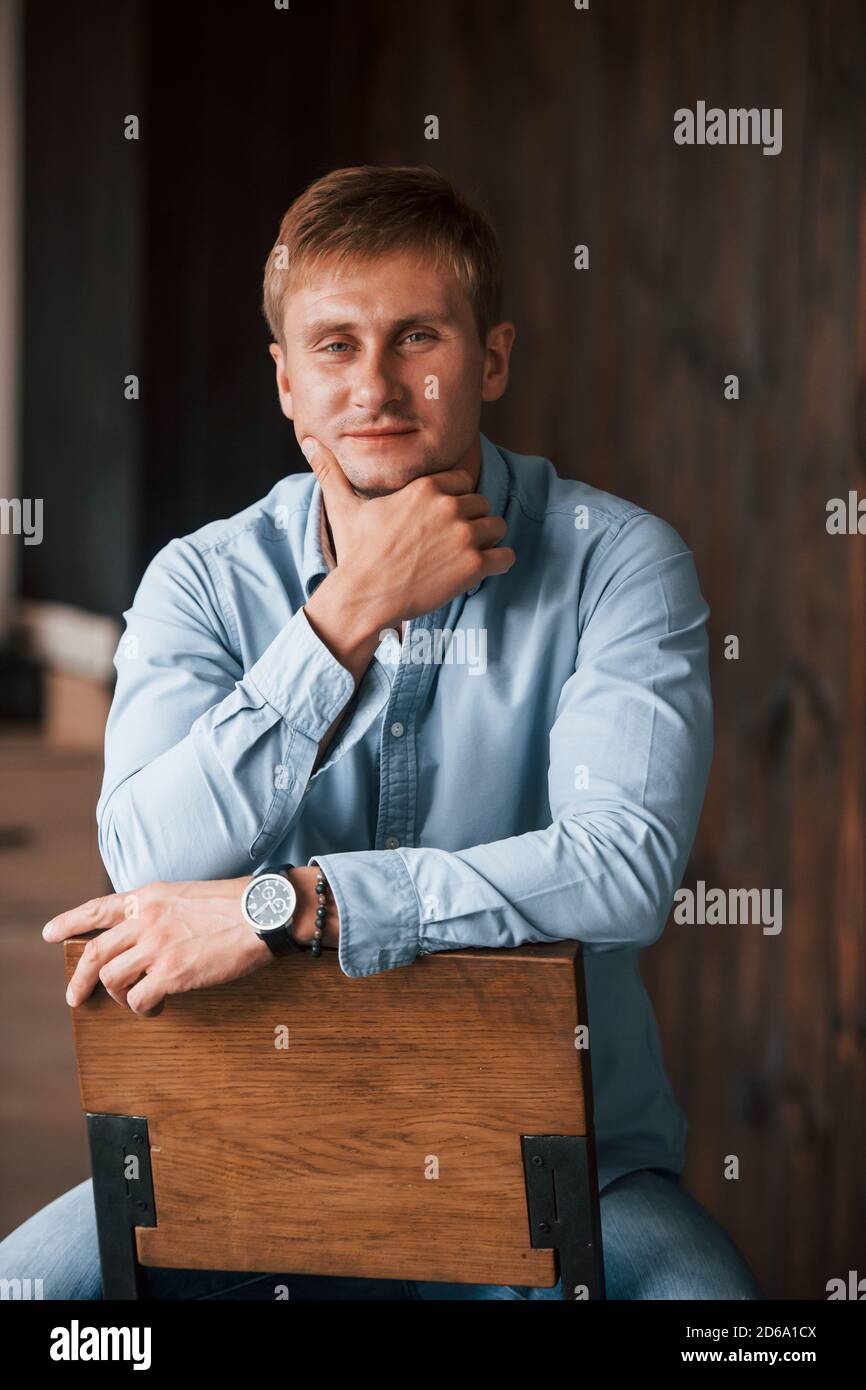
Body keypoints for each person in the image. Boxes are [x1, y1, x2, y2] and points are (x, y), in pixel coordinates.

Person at [0, 164, 764, 1300]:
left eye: (417, 337)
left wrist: (300, 903)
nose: (376, 386)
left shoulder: (618, 564)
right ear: (286, 384)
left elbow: (619, 873)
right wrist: (349, 610)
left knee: (715, 1318)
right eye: (335, 346)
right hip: (240, 1162)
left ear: (489, 358)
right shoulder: (201, 582)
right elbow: (148, 862)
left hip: (554, 1178)